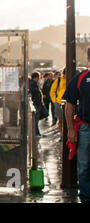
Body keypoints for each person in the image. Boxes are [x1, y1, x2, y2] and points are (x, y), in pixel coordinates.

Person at [63, 49, 90, 203]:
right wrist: (71, 129)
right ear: (88, 58)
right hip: (85, 129)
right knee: (84, 166)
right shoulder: (81, 78)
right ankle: (85, 198)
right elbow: (69, 104)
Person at [50, 69, 67, 138]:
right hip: (59, 102)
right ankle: (61, 135)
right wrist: (55, 101)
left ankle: (66, 134)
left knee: (67, 120)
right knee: (60, 120)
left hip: (68, 102)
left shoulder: (72, 79)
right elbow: (52, 91)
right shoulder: (59, 80)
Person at [29, 72, 44, 136]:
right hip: (36, 104)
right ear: (36, 77)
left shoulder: (34, 84)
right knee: (35, 120)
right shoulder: (32, 84)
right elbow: (31, 94)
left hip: (37, 104)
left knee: (36, 120)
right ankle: (36, 133)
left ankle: (37, 132)